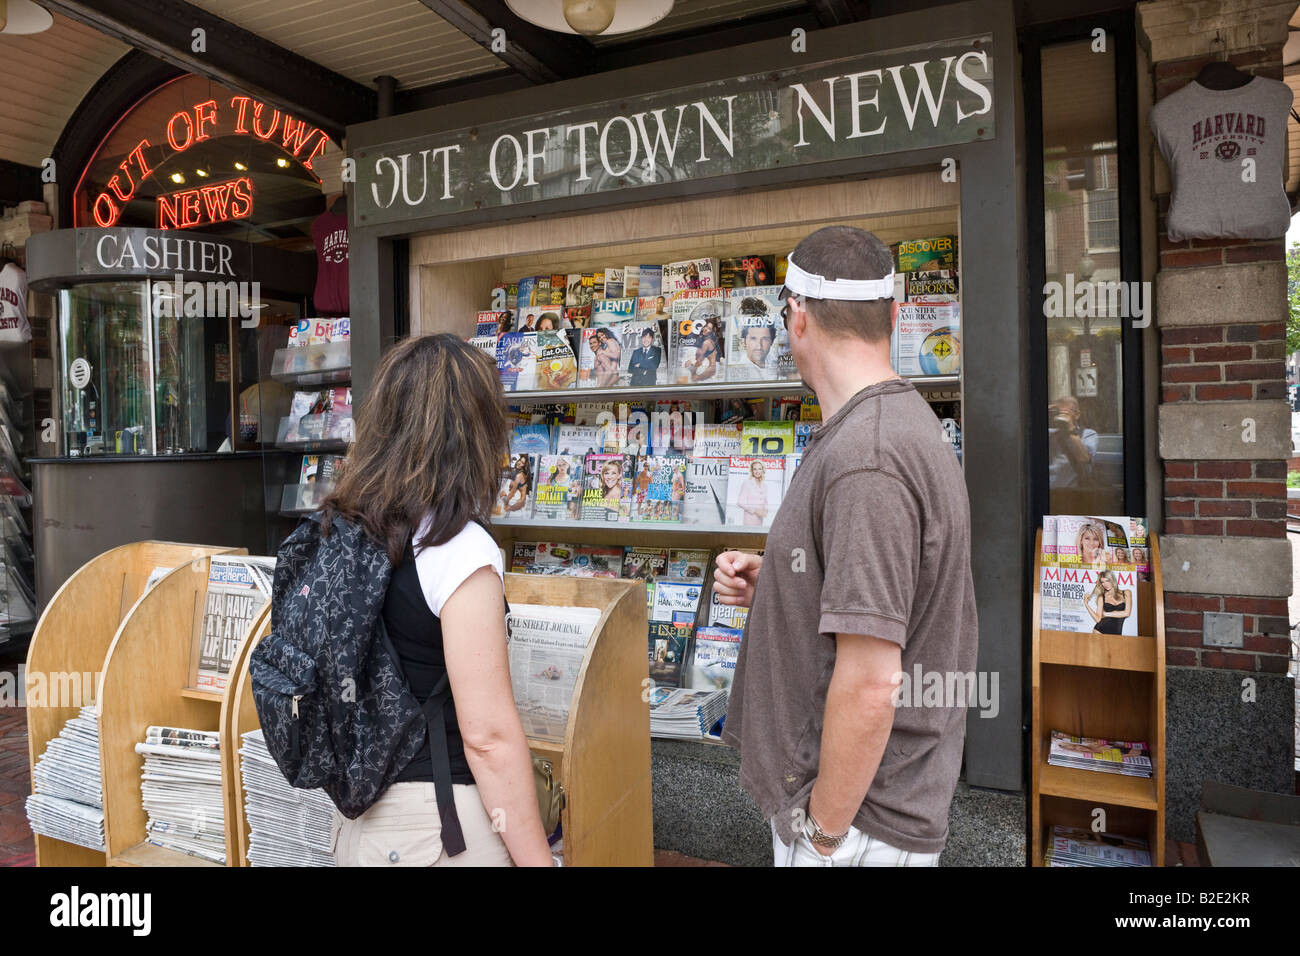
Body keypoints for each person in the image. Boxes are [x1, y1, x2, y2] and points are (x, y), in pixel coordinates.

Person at [712, 225, 978, 867]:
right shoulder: (883, 431)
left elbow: (870, 682)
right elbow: (878, 603)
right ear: (892, 314)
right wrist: (782, 580)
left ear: (796, 318)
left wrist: (823, 833)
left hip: (855, 822)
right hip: (860, 808)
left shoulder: (870, 459)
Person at [320, 333, 552, 867]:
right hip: (438, 827)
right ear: (473, 431)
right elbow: (488, 738)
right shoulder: (458, 548)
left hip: (358, 825)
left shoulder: (346, 529)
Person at [1048, 396, 1097, 489]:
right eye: (1058, 412)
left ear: (1077, 415)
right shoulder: (1051, 434)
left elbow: (1084, 458)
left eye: (1065, 412)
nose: (1060, 416)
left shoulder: (1088, 434)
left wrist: (1070, 428)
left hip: (1072, 492)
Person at [1087, 570, 1131, 635]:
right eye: (1102, 582)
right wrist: (1086, 604)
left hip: (1117, 633)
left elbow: (1127, 613)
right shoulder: (1101, 597)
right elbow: (1098, 619)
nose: (1105, 584)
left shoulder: (1126, 593)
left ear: (1112, 579)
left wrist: (1106, 614)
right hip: (1100, 631)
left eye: (1107, 581)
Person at [734, 459, 769, 526]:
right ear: (752, 471)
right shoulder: (747, 483)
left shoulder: (764, 485)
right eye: (755, 469)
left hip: (760, 518)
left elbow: (765, 501)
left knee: (758, 535)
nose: (757, 471)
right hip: (750, 517)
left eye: (759, 469)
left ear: (763, 470)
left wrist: (766, 510)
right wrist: (755, 511)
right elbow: (740, 502)